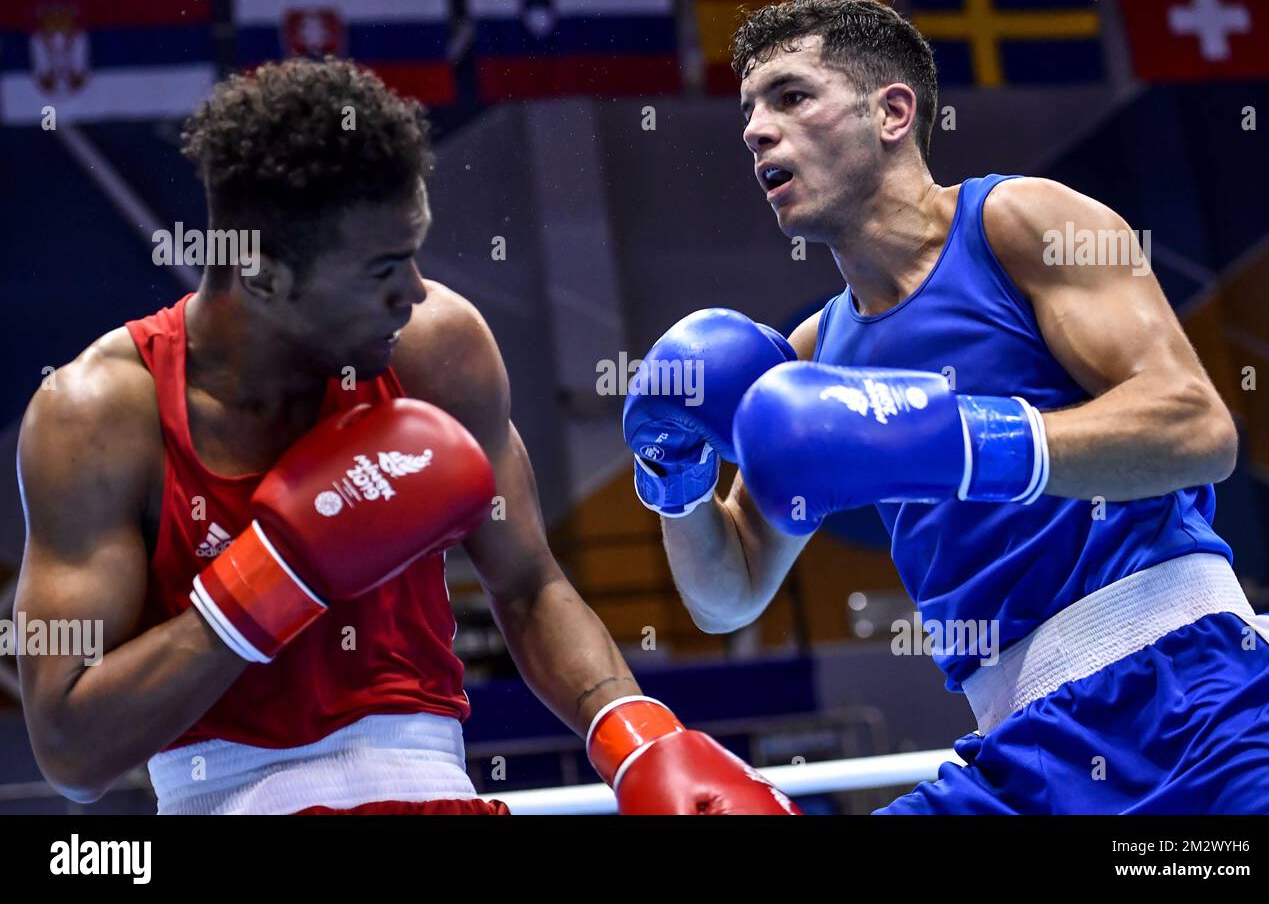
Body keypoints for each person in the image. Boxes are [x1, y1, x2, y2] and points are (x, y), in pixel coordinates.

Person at [15, 58, 796, 816]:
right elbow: (70, 751)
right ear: (260, 273)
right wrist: (270, 579)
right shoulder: (99, 415)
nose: (415, 291)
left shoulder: (436, 347)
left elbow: (529, 585)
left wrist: (636, 739)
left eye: (414, 252)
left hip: (434, 790)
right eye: (383, 268)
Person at [624, 0, 1269, 813]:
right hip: (1020, 748)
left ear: (893, 112)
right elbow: (727, 593)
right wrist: (675, 477)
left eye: (791, 96)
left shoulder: (1020, 223)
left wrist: (961, 440)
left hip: (1193, 695)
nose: (756, 129)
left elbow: (1197, 429)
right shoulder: (808, 357)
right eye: (749, 110)